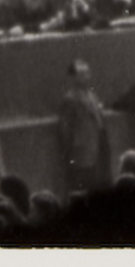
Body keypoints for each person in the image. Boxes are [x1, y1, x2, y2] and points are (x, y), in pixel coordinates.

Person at [53, 60, 112, 197]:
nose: (86, 76)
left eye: (87, 72)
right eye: (82, 73)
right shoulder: (70, 99)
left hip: (96, 147)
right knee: (81, 186)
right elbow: (65, 128)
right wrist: (70, 150)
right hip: (80, 152)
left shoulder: (92, 96)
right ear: (74, 77)